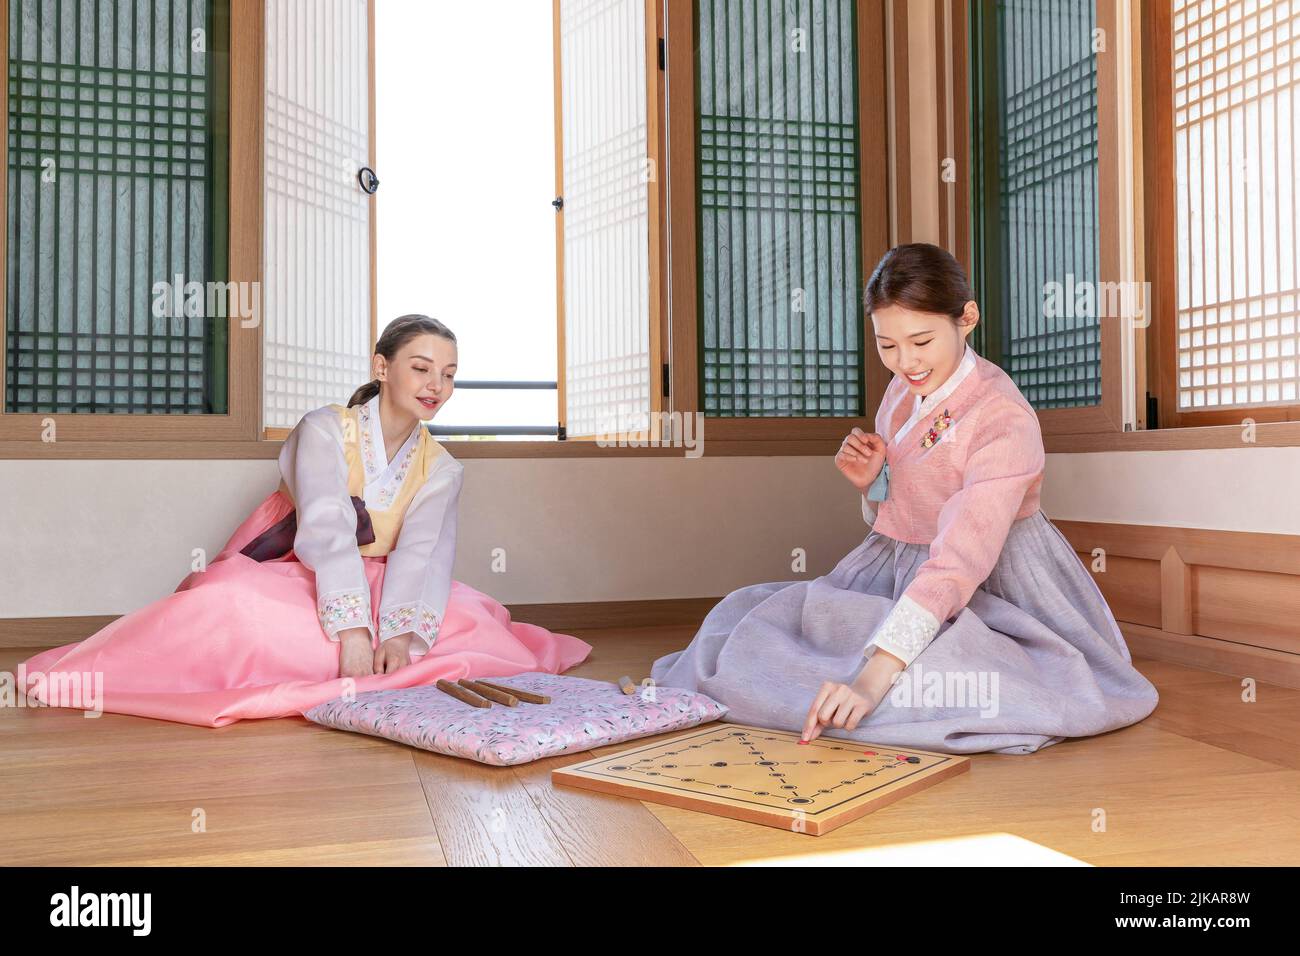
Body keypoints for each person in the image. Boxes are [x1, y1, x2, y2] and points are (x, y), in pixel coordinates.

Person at [651, 243, 1160, 755]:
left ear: (967, 318)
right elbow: (900, 506)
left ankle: (877, 685)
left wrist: (872, 680)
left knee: (943, 677)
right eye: (887, 345)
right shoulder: (901, 393)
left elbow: (961, 557)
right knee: (748, 617)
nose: (907, 363)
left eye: (921, 341)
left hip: (988, 578)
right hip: (895, 566)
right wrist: (873, 482)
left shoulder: (1002, 418)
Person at [20, 315, 591, 726]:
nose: (435, 386)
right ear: (381, 365)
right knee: (228, 611)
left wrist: (396, 633)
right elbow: (322, 521)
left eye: (448, 373)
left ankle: (384, 656)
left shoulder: (441, 467)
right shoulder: (324, 428)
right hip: (298, 566)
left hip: (385, 579)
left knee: (468, 625)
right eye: (421, 368)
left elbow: (423, 555)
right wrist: (352, 629)